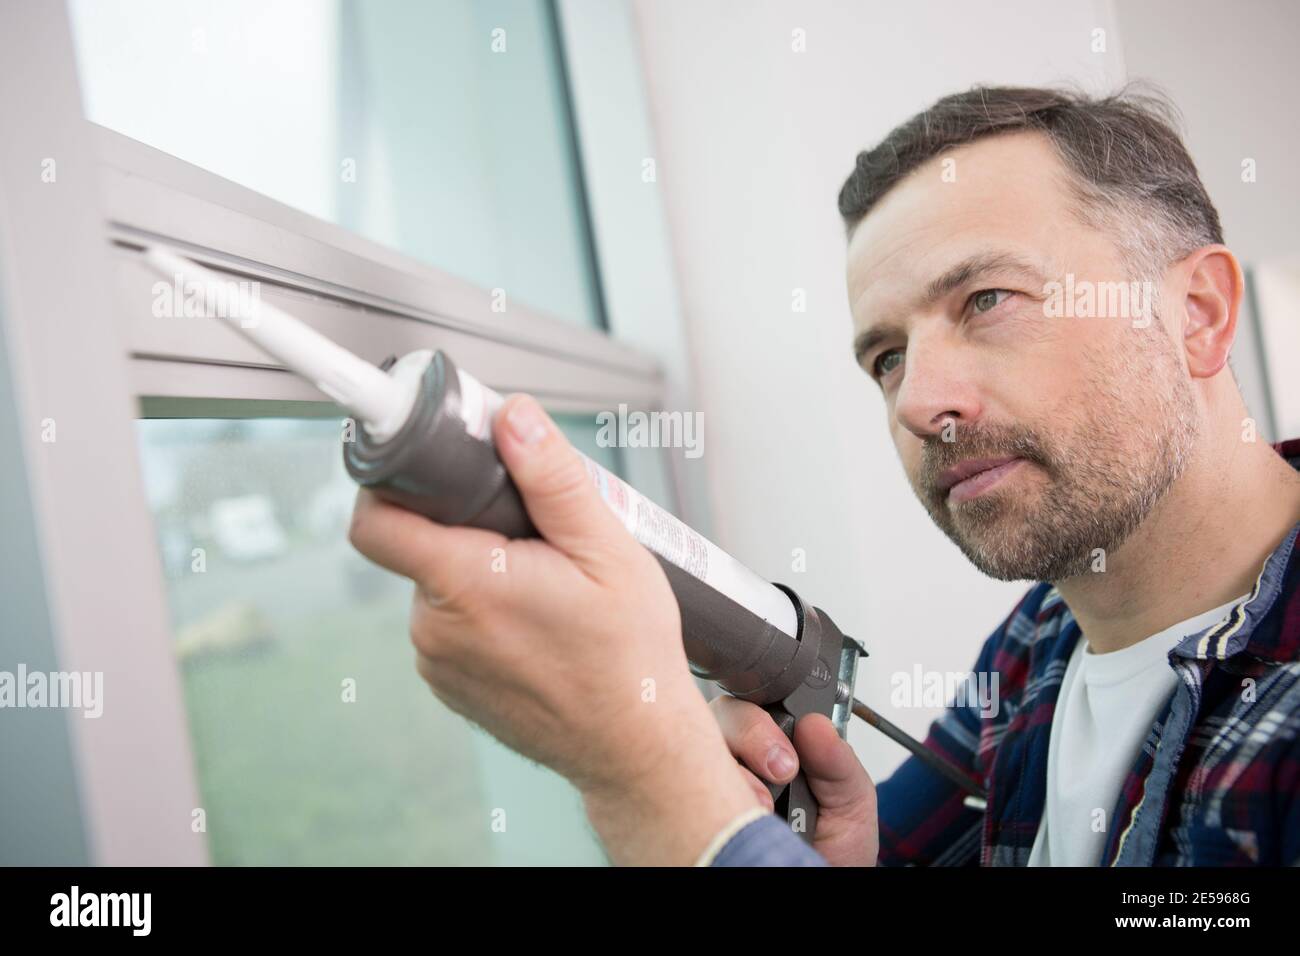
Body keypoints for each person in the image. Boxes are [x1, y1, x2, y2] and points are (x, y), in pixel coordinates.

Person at [348, 86, 1300, 866]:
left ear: (1199, 314)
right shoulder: (1044, 640)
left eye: (988, 299)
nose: (920, 402)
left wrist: (648, 787)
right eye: (886, 356)